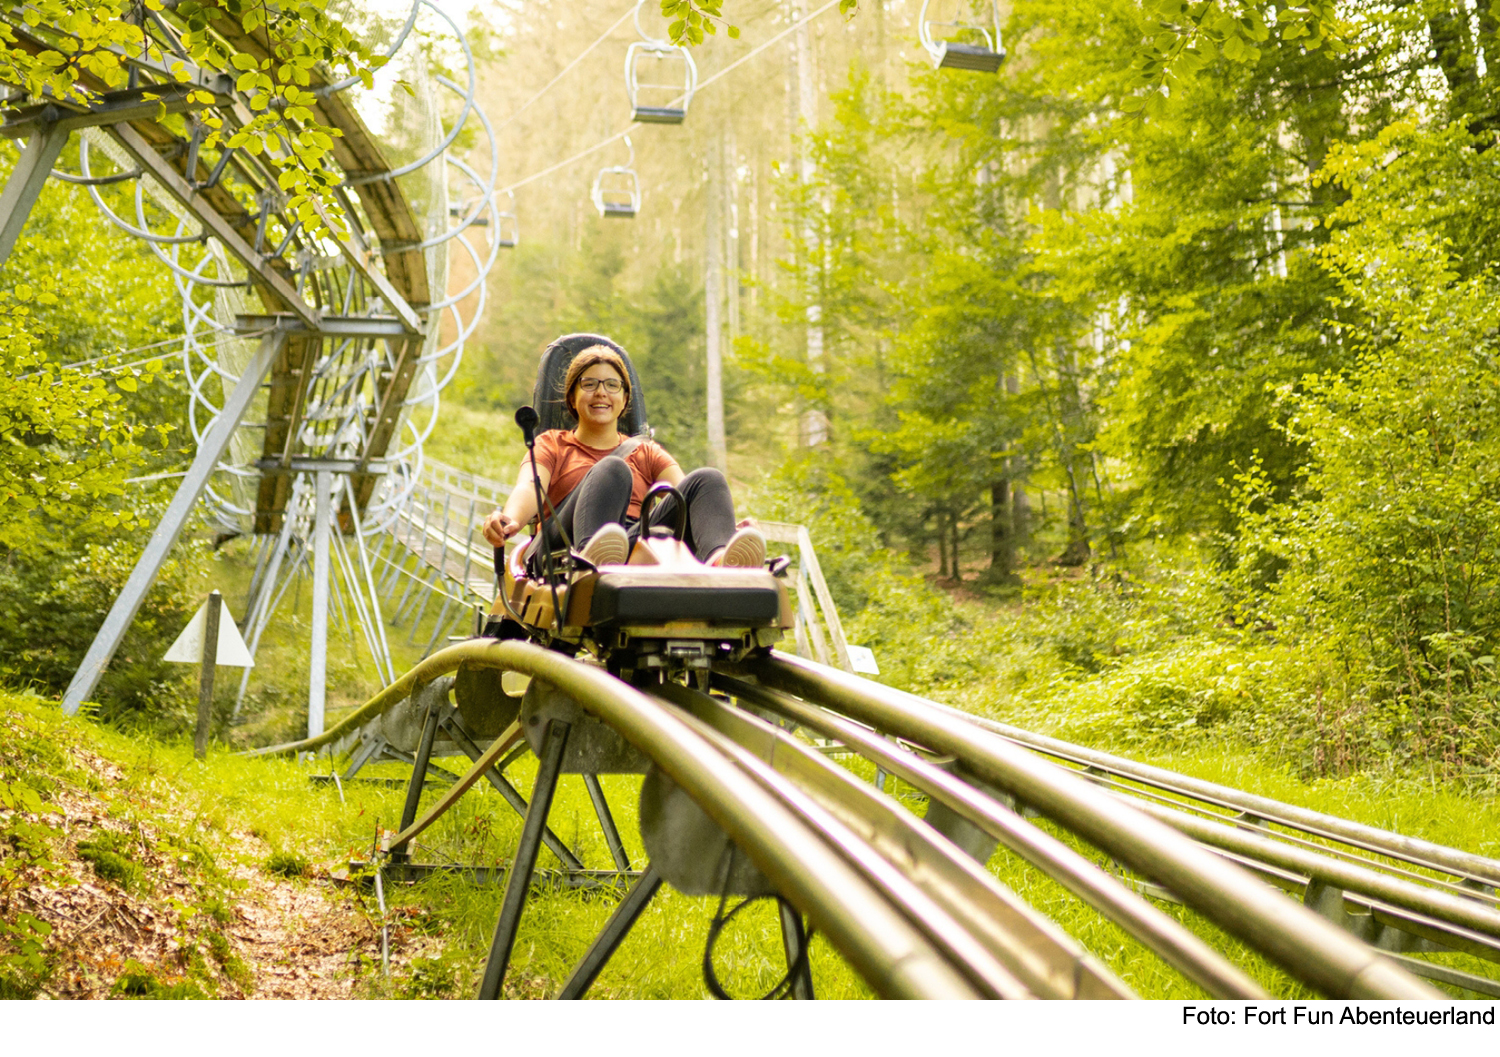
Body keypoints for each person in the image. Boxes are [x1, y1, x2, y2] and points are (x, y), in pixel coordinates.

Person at [480, 345, 764, 572]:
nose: (601, 392)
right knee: (613, 470)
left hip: (628, 542)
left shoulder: (646, 451)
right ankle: (593, 558)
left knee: (707, 479)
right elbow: (530, 486)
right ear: (572, 396)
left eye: (612, 385)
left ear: (625, 399)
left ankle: (721, 561)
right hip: (563, 549)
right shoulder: (552, 444)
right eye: (589, 383)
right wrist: (510, 519)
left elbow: (685, 495)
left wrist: (724, 526)